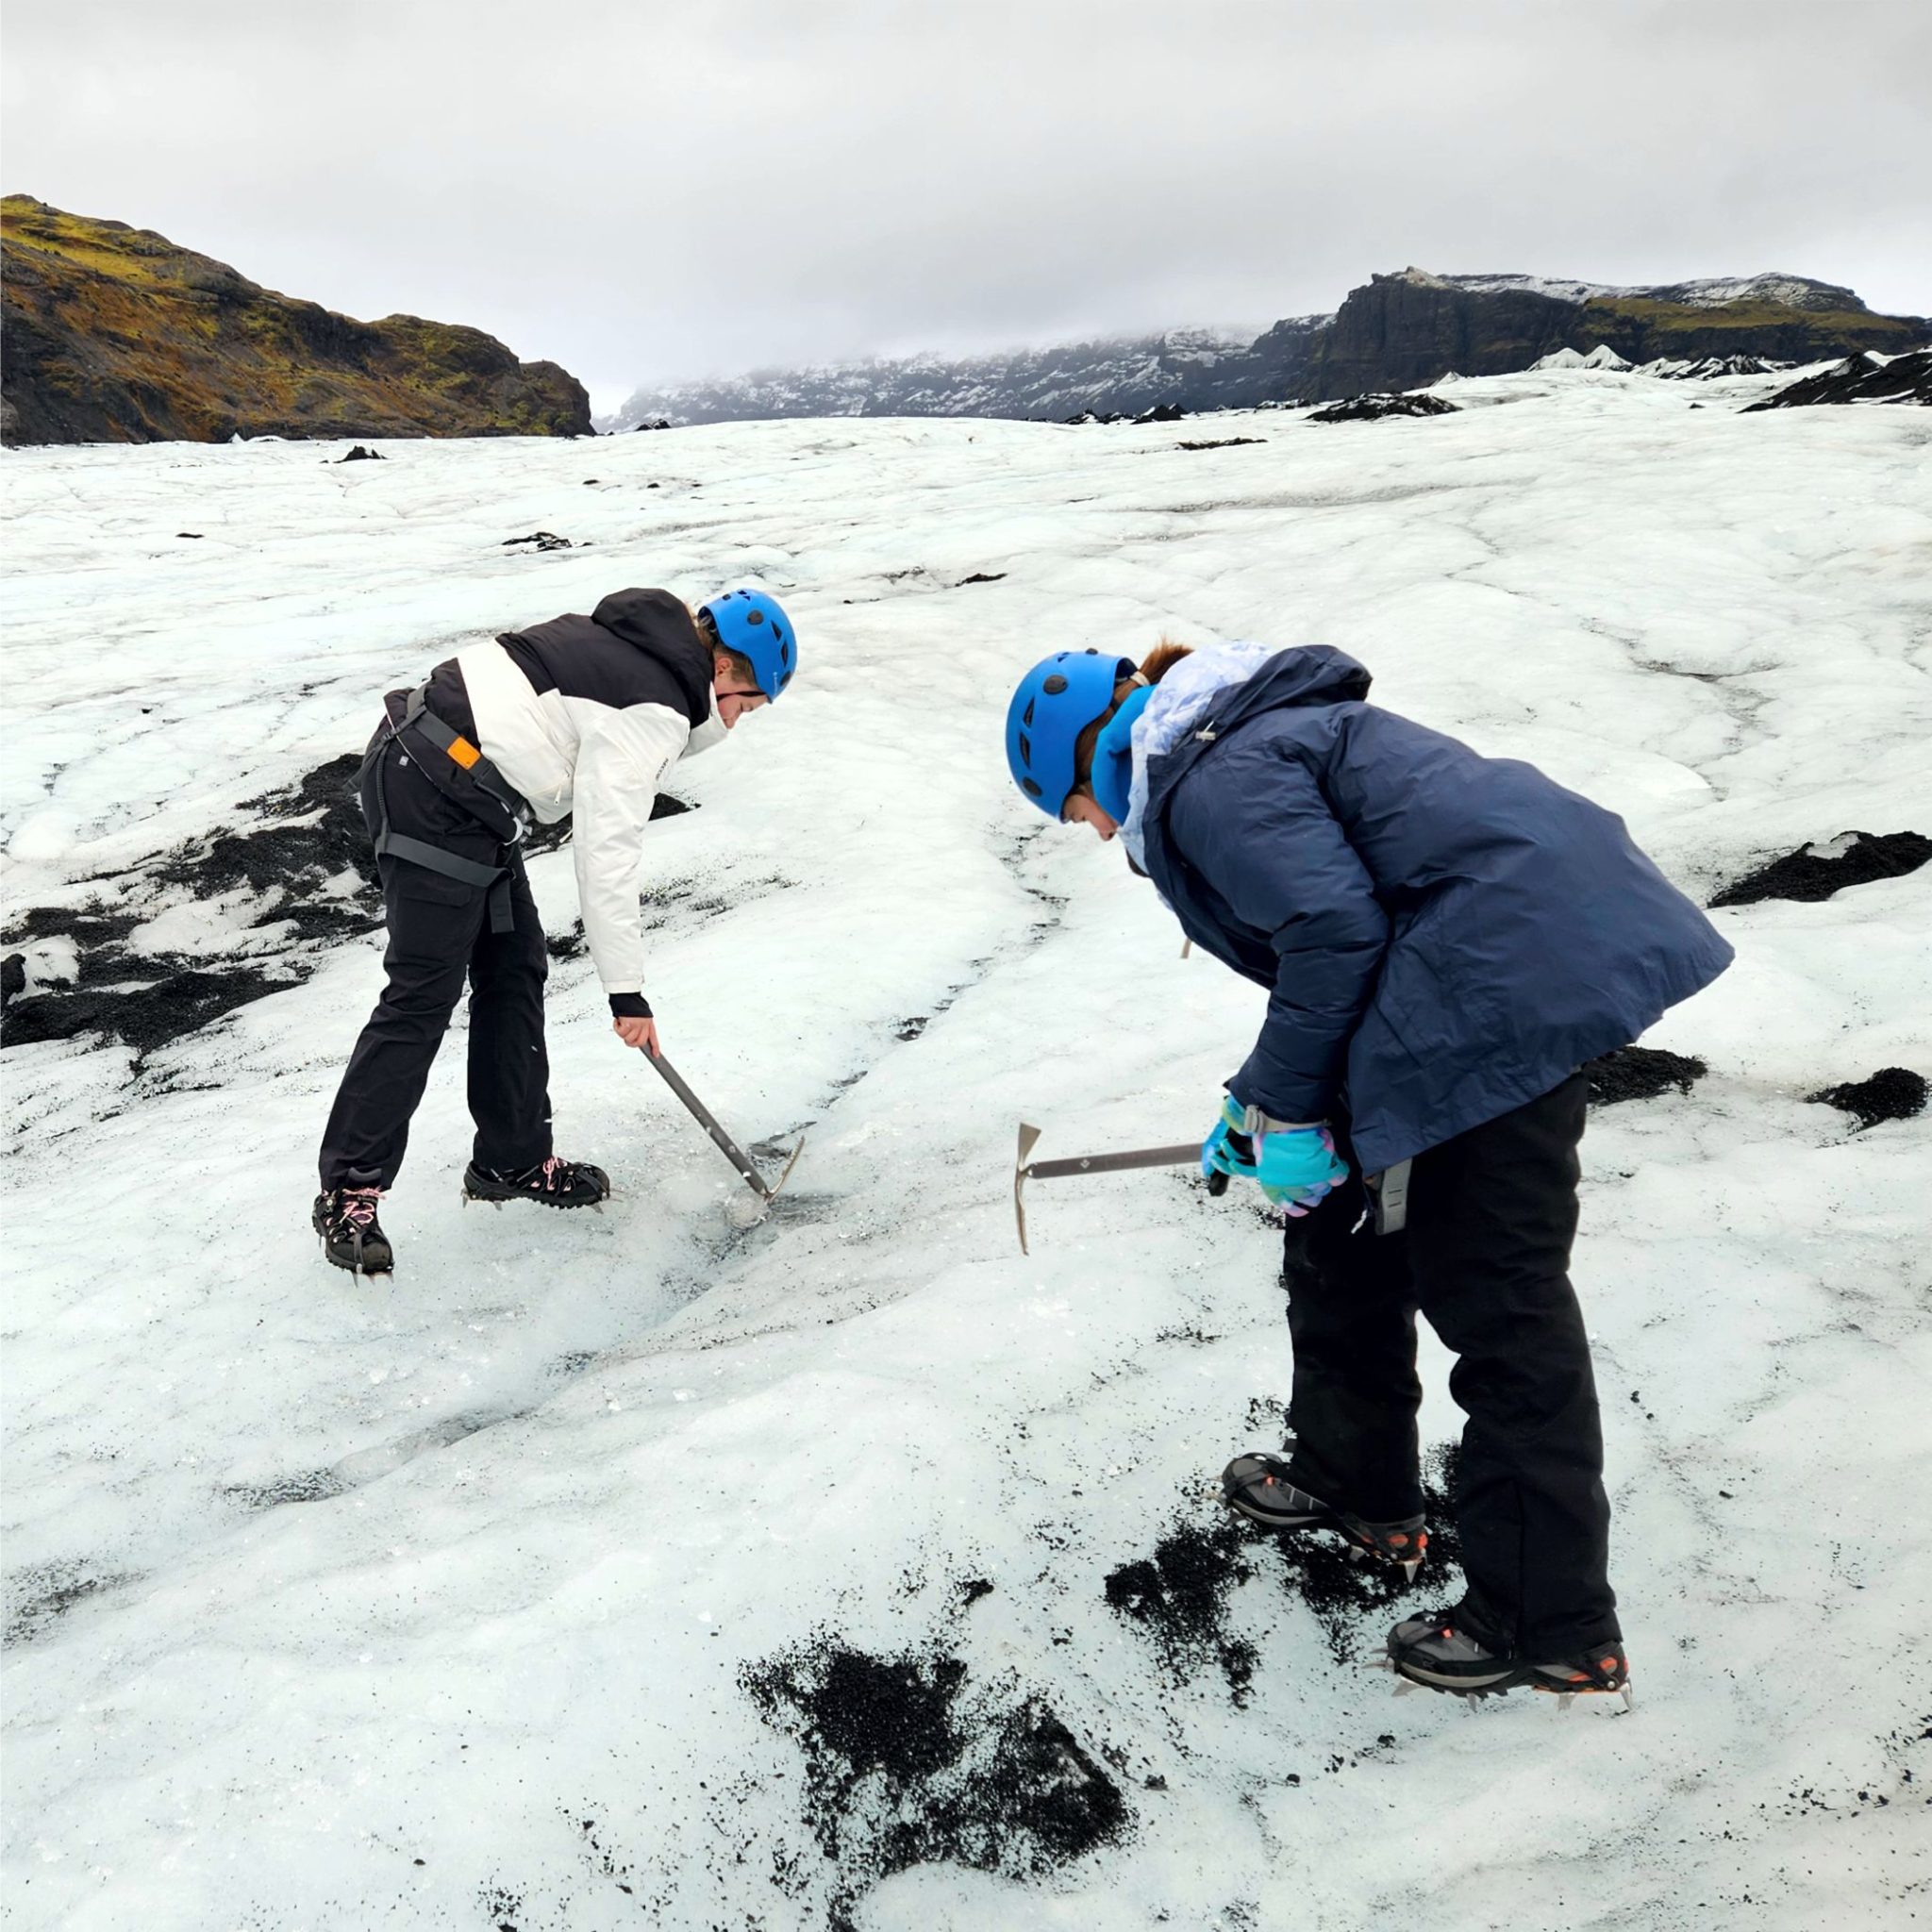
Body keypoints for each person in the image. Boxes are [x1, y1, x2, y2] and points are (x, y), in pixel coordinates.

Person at [1004, 638, 1731, 1704]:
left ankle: (1548, 1620)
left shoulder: (1207, 776)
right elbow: (1350, 934)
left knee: (1497, 1299)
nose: (1101, 834)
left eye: (1079, 813)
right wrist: (1258, 1099)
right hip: (1473, 961)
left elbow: (1334, 933)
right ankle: (1354, 1479)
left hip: (1502, 984)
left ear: (1092, 761)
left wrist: (1289, 1103)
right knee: (1341, 1222)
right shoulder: (1229, 743)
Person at [313, 586, 797, 1278]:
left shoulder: (640, 645)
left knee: (514, 968)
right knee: (423, 992)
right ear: (725, 670)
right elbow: (607, 850)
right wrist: (626, 993)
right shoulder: (653, 706)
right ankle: (348, 1191)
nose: (738, 721)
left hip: (462, 787)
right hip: (433, 785)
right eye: (746, 706)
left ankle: (510, 1160)